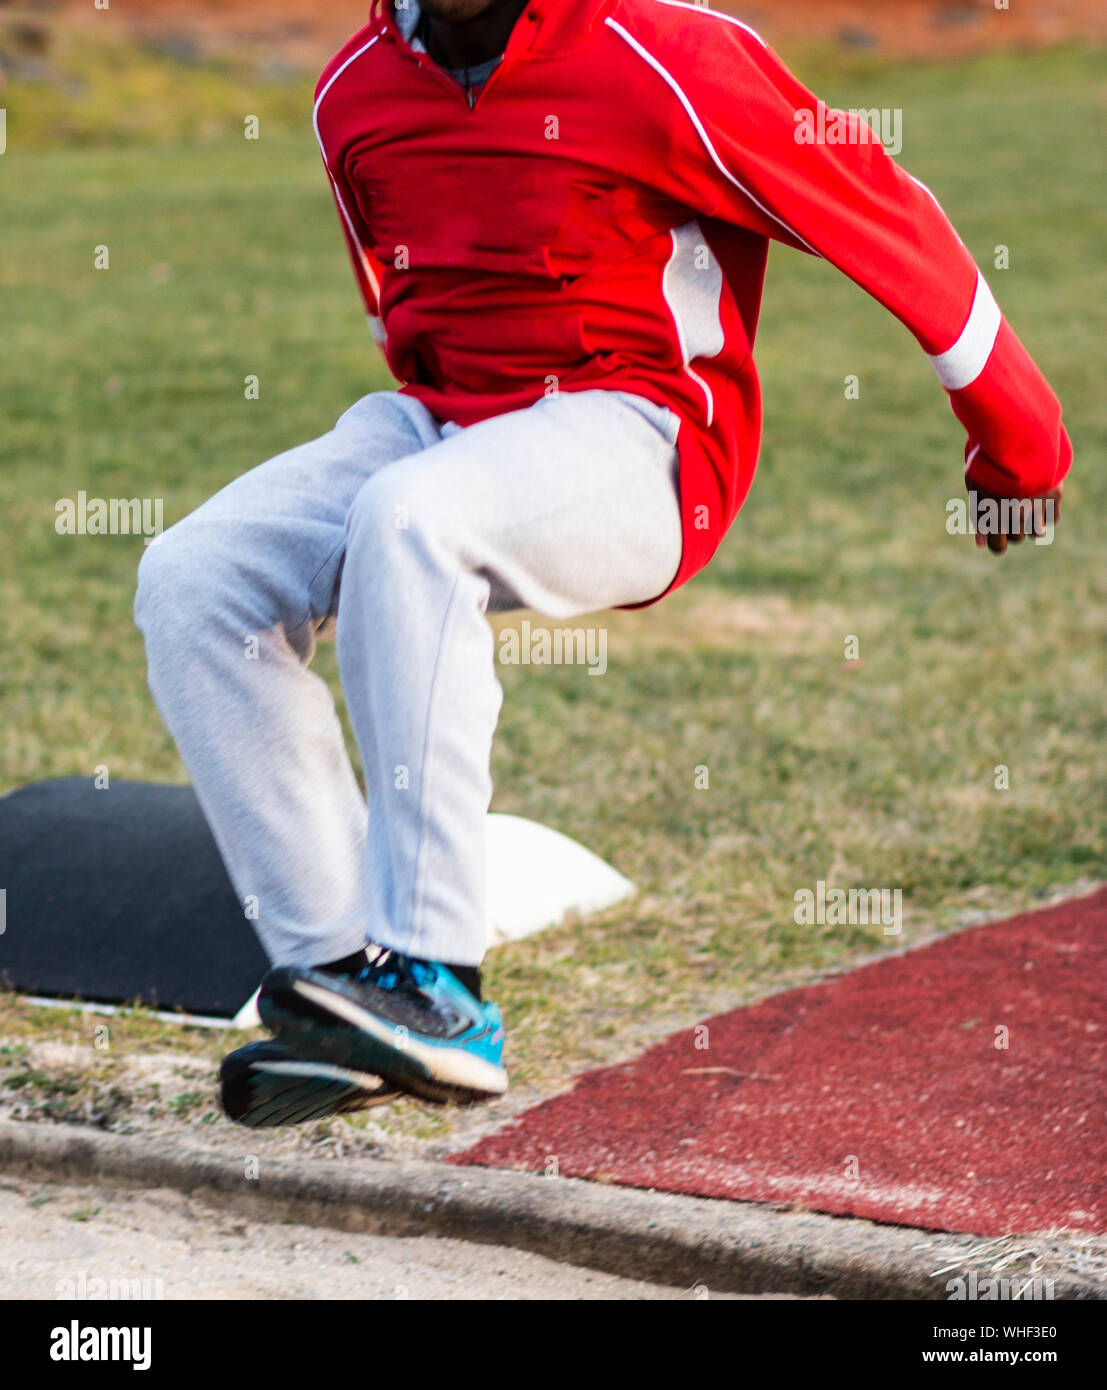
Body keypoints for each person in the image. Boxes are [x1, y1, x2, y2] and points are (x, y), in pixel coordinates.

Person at [135, 0, 1070, 1127]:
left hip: (652, 435)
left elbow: (888, 218)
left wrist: (1018, 445)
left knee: (412, 520)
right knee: (196, 575)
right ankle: (345, 986)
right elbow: (398, 308)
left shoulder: (666, 53)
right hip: (448, 424)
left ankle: (437, 984)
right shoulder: (354, 96)